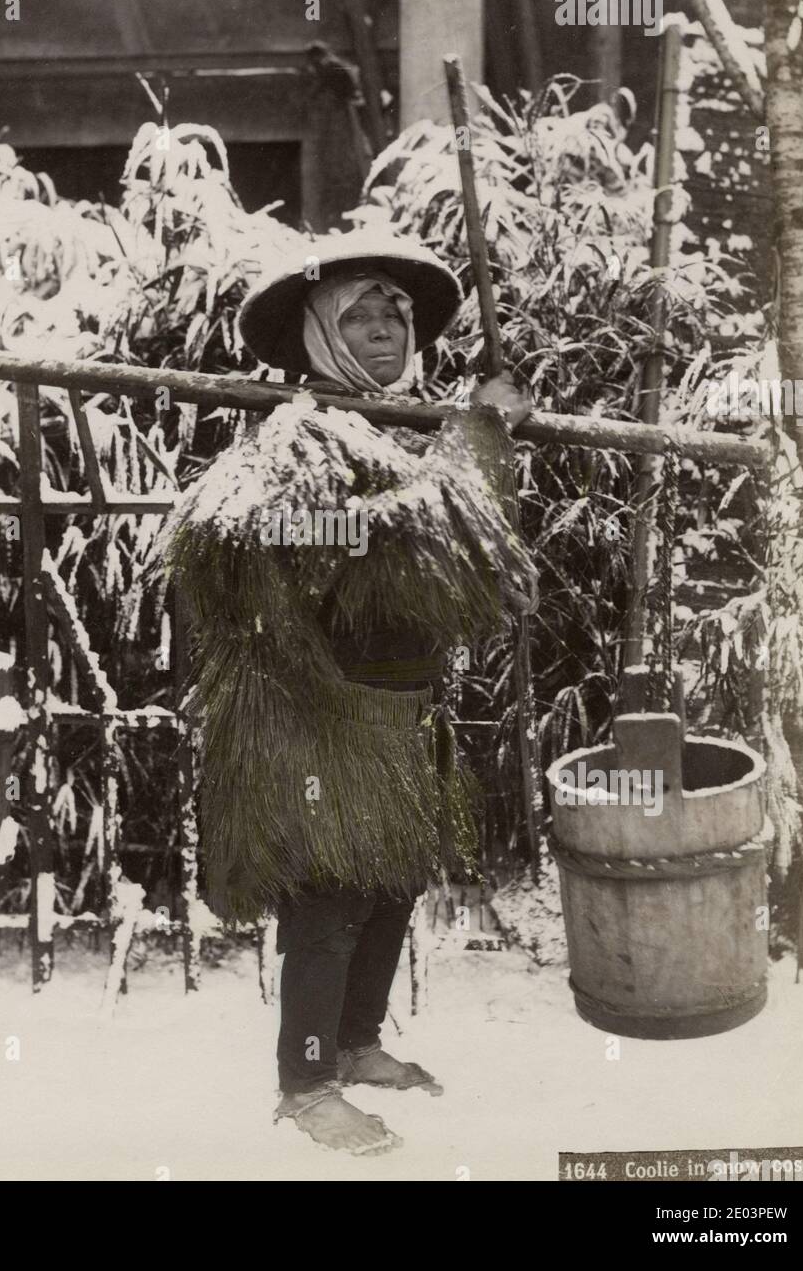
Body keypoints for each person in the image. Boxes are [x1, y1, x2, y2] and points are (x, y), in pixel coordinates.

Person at [159, 232, 538, 1156]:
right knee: (329, 901)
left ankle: (360, 1041)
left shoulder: (402, 426)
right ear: (317, 335)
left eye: (393, 315)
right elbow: (408, 552)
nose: (380, 331)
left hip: (398, 711)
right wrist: (479, 437)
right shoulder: (301, 439)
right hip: (318, 715)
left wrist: (468, 437)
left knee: (393, 884)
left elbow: (476, 552)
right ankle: (306, 1079)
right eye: (357, 316)